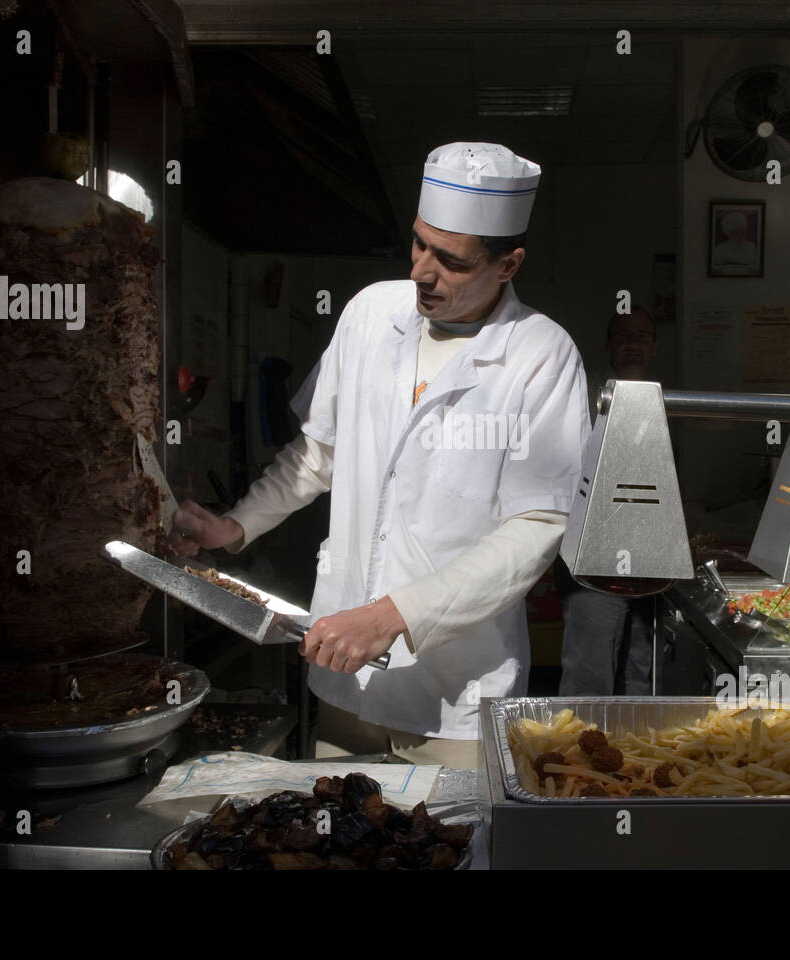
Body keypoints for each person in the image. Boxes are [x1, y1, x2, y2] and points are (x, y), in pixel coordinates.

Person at [170, 142, 590, 768]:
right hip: (345, 680)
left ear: (508, 264)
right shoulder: (371, 313)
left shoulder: (541, 356)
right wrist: (236, 524)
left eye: (451, 260)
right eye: (419, 244)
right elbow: (319, 453)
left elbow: (536, 530)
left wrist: (396, 616)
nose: (423, 271)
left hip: (455, 698)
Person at [554, 306, 658, 695]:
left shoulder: (663, 401)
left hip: (648, 559)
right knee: (590, 674)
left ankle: (636, 755)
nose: (633, 344)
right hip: (592, 555)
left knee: (639, 673)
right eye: (623, 335)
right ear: (608, 345)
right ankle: (574, 754)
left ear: (654, 347)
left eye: (642, 336)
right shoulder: (584, 399)